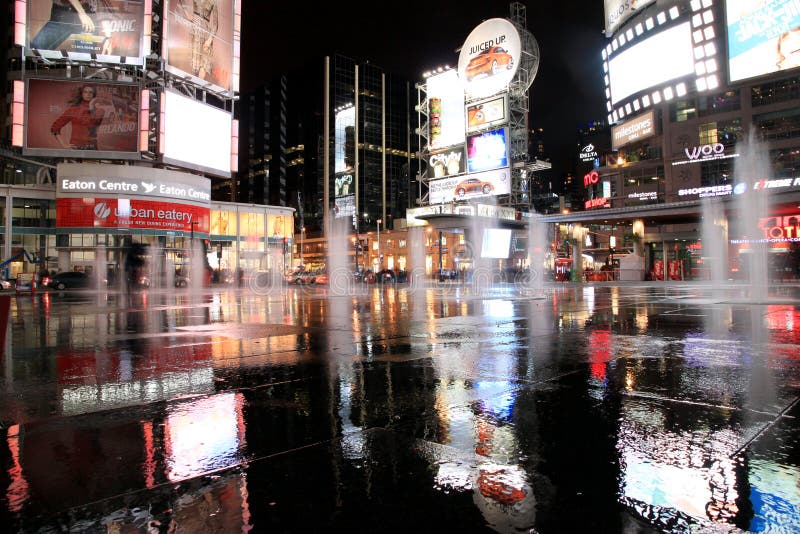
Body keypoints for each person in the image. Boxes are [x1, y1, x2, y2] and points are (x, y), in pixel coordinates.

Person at [30, 1, 110, 54]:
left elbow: (102, 3)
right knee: (35, 49)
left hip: (88, 15)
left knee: (86, 59)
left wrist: (108, 34)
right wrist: (82, 13)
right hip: (64, 13)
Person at [50, 84, 113, 150]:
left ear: (94, 95)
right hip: (76, 147)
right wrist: (64, 144)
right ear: (82, 94)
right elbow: (55, 128)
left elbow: (92, 126)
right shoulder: (73, 110)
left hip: (92, 148)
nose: (88, 94)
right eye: (85, 92)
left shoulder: (100, 110)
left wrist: (91, 107)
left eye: (90, 92)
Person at [188, 0, 219, 81]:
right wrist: (187, 14)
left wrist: (210, 39)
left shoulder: (214, 1)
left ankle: (200, 88)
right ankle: (192, 88)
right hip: (195, 30)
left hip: (206, 32)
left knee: (204, 65)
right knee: (194, 65)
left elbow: (215, 24)